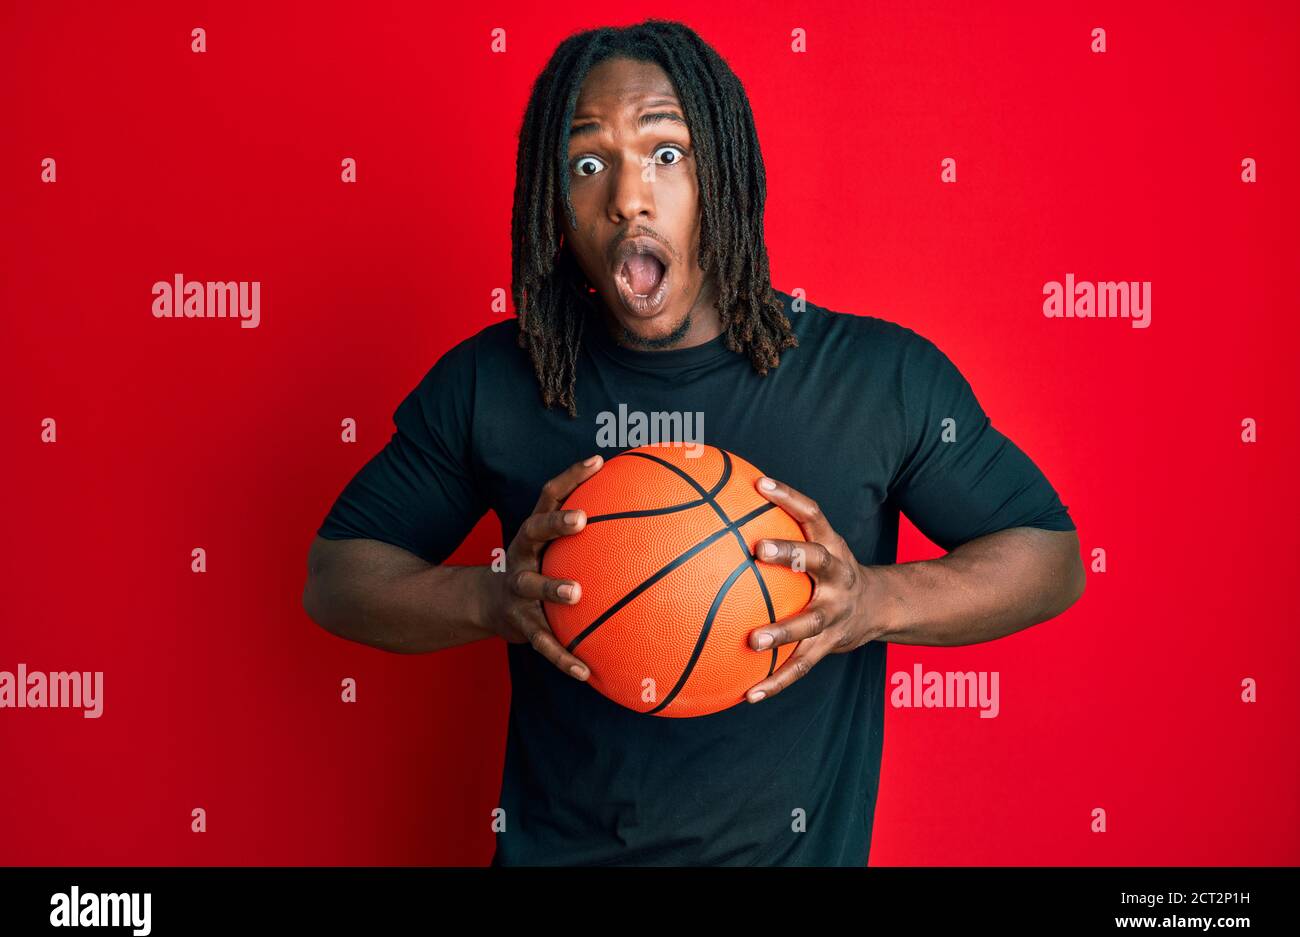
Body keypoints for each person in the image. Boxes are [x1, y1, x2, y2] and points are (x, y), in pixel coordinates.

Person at [302, 19, 1085, 866]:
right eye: (588, 164)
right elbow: (337, 577)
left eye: (666, 153)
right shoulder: (496, 381)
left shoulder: (876, 379)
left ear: (726, 173)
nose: (628, 197)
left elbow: (1050, 558)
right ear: (554, 201)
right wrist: (496, 602)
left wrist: (870, 603)